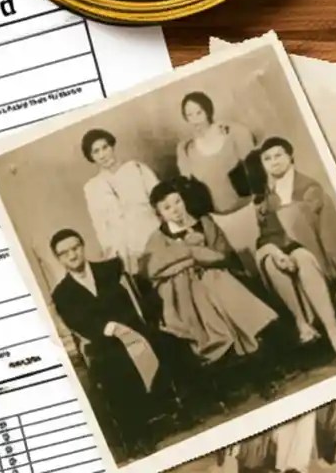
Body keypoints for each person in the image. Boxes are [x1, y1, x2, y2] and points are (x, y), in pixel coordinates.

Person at [49, 229, 167, 458]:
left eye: (75, 248)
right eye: (65, 253)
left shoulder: (109, 269)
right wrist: (107, 329)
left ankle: (183, 411)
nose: (72, 255)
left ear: (83, 247)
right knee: (113, 369)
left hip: (132, 329)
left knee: (166, 343)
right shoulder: (62, 293)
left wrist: (128, 326)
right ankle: (136, 437)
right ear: (59, 259)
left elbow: (127, 300)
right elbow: (78, 322)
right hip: (103, 342)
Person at [144, 180, 278, 365]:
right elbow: (157, 271)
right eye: (167, 208)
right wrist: (190, 255)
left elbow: (223, 254)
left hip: (217, 274)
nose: (175, 209)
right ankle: (224, 343)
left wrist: (200, 257)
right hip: (185, 290)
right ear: (160, 214)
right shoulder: (158, 239)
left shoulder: (205, 222)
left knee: (216, 280)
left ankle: (252, 334)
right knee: (201, 289)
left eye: (177, 202)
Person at [253, 136, 336, 360]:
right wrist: (276, 252)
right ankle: (303, 324)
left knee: (302, 258)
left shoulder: (309, 187)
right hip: (283, 252)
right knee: (271, 264)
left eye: (279, 155)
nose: (274, 161)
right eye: (267, 158)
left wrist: (289, 227)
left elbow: (320, 227)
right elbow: (264, 236)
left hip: (315, 249)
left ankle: (334, 330)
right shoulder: (264, 198)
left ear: (290, 156)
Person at [80, 128, 161, 273]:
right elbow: (100, 225)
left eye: (105, 148)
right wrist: (112, 252)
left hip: (152, 234)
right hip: (125, 249)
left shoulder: (137, 169)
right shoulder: (92, 188)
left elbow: (161, 199)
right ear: (91, 157)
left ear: (112, 146)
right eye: (96, 152)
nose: (102, 155)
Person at [175, 92, 258, 214]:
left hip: (250, 207)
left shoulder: (234, 132)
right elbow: (188, 187)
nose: (195, 120)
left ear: (208, 111)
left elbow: (256, 169)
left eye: (199, 113)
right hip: (217, 217)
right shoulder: (185, 150)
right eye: (189, 115)